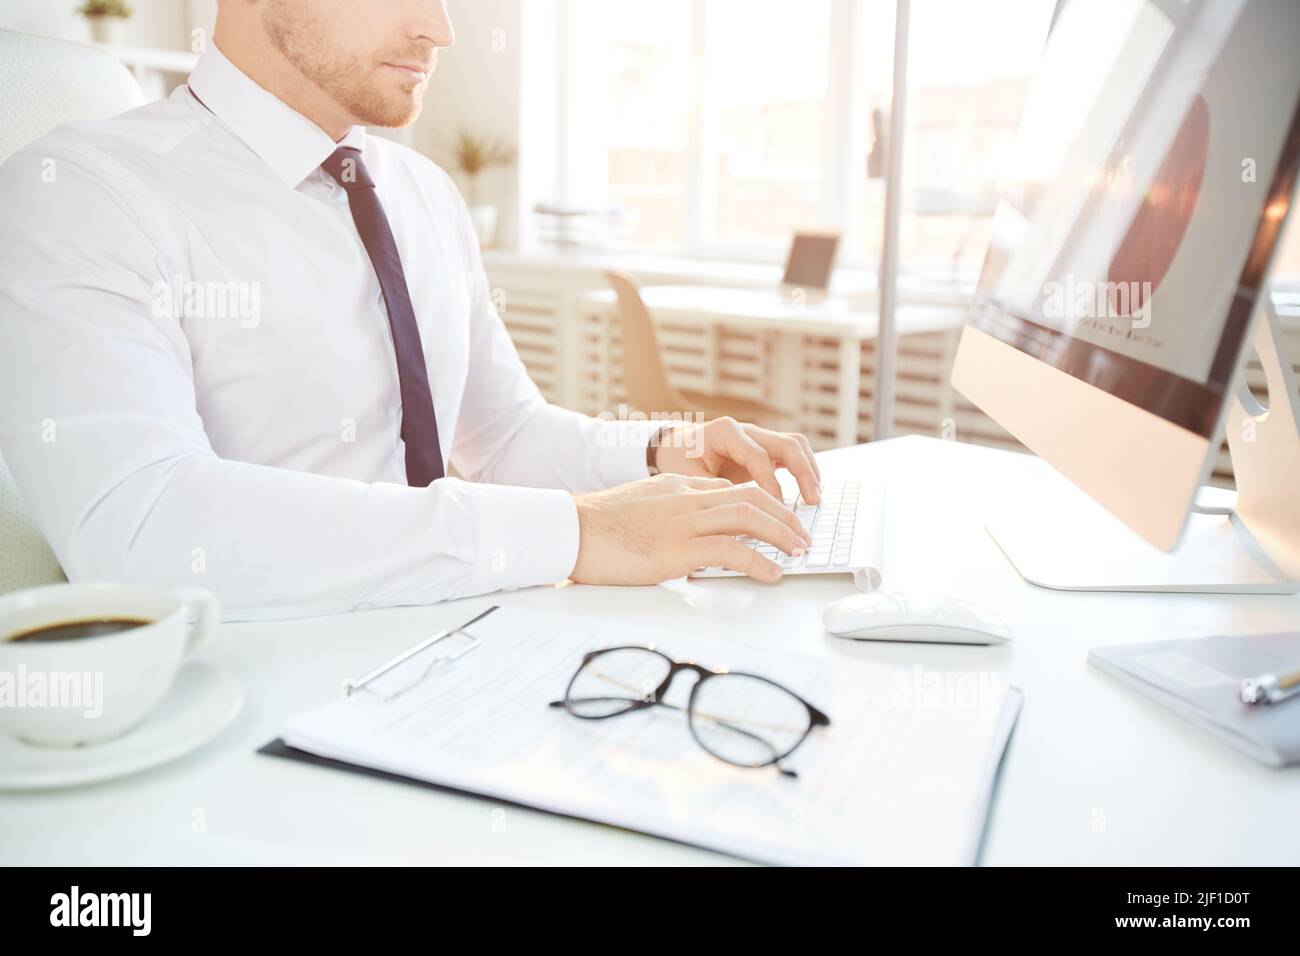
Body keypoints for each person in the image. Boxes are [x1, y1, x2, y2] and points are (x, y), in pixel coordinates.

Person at [0, 0, 820, 620]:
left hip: (466, 642)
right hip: (264, 692)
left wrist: (661, 454)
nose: (440, 26)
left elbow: (503, 436)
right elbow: (139, 532)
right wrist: (576, 531)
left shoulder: (423, 191)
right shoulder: (84, 193)